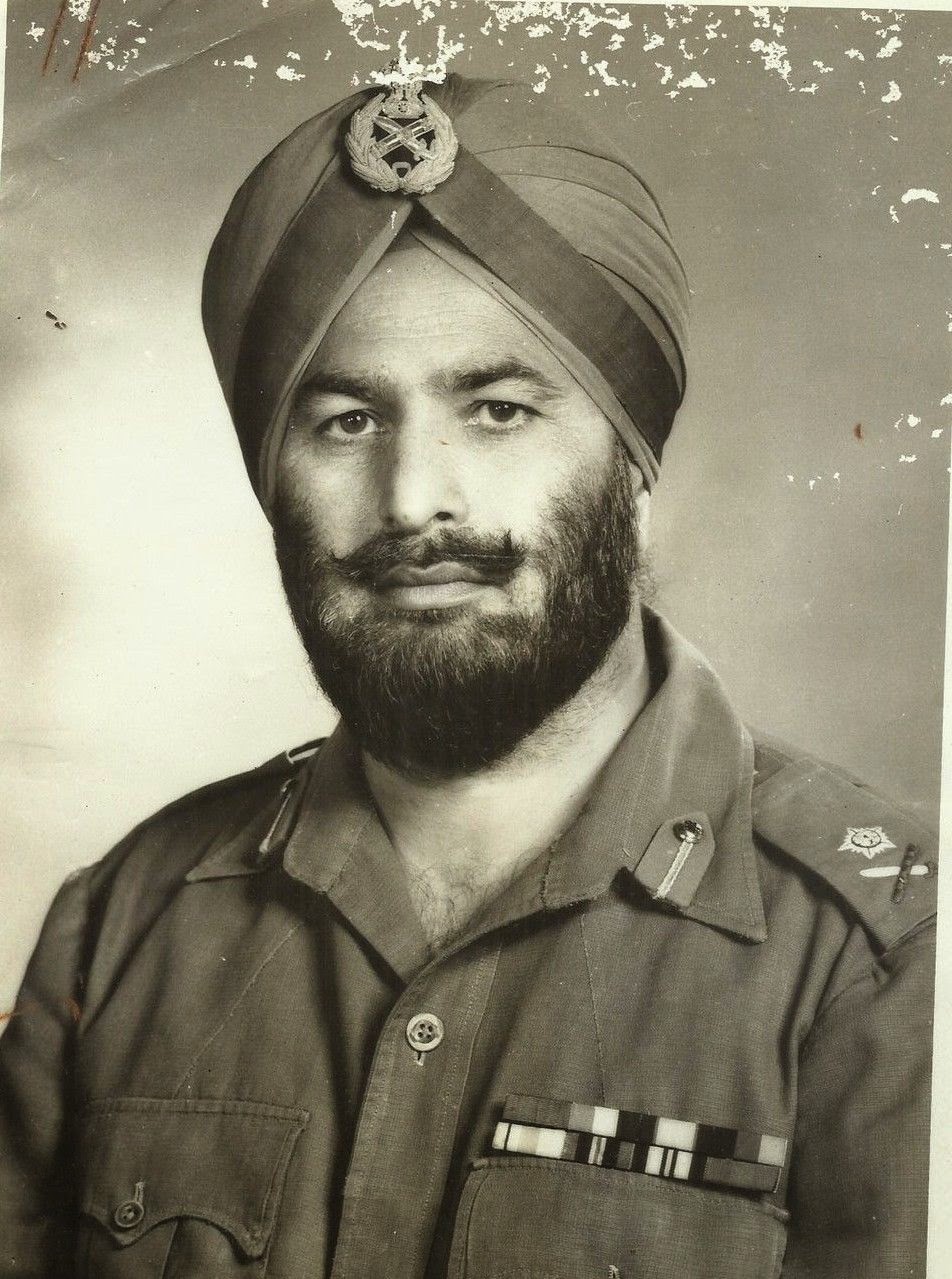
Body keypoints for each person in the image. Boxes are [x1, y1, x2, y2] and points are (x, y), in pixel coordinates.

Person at [0, 74, 935, 1279]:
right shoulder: (115, 925)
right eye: (344, 421)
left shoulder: (895, 952)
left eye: (496, 409)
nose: (412, 498)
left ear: (633, 467)